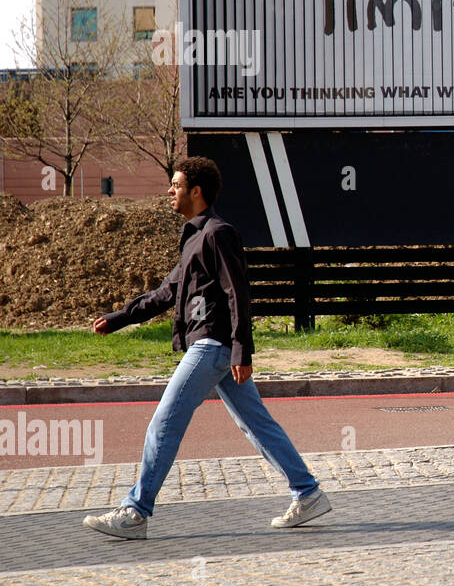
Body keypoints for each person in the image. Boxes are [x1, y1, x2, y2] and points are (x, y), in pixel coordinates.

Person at [83, 156, 330, 540]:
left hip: (213, 345)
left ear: (196, 191)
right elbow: (166, 293)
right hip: (214, 347)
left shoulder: (218, 233)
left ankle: (135, 512)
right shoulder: (195, 237)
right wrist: (119, 318)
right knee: (257, 425)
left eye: (176, 185)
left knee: (164, 423)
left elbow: (238, 293)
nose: (170, 191)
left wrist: (241, 352)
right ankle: (308, 492)